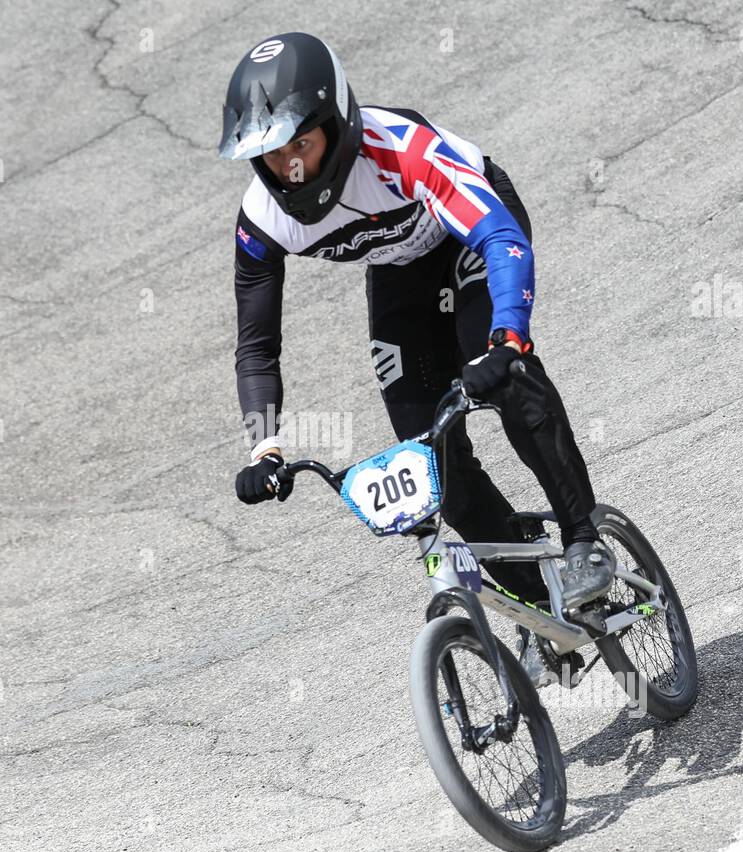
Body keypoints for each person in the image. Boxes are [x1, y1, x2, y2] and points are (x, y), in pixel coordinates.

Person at [219, 32, 615, 610]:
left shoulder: (402, 152)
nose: (291, 169)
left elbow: (500, 239)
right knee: (428, 453)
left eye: (300, 144)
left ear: (338, 121)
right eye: (273, 155)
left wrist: (508, 339)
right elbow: (256, 347)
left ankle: (585, 541)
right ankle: (542, 608)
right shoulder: (262, 219)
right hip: (400, 267)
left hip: (469, 239)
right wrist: (264, 448)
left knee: (505, 376)